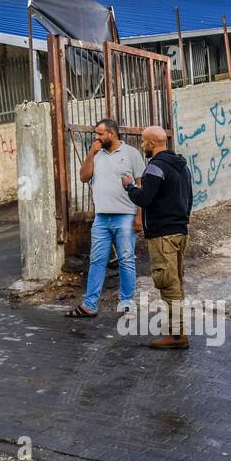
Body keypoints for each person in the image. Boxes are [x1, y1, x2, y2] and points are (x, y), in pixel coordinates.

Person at [122, 125, 193, 349]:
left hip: (163, 235)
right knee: (176, 282)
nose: (142, 145)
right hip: (180, 230)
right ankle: (176, 329)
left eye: (143, 142)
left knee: (167, 282)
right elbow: (189, 198)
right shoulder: (182, 166)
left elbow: (144, 199)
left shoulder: (155, 168)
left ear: (151, 144)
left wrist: (130, 187)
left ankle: (177, 335)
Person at [67, 118, 146, 318]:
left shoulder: (131, 154)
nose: (97, 137)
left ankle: (126, 303)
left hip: (126, 217)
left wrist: (139, 216)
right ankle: (89, 304)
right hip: (101, 218)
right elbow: (84, 177)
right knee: (97, 261)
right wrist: (91, 153)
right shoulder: (97, 154)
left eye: (100, 134)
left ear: (111, 133)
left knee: (126, 260)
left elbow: (141, 185)